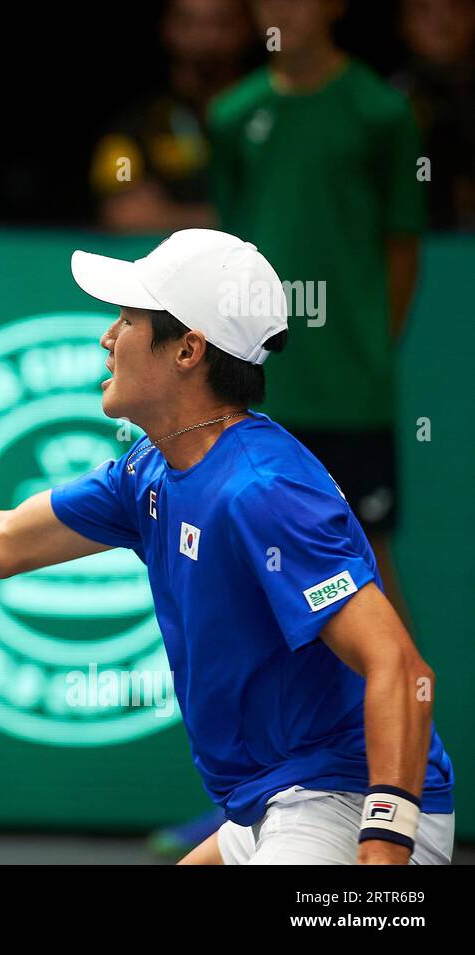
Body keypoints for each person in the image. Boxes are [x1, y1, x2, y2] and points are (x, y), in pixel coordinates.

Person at [0, 230, 454, 864]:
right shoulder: (150, 470)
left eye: (127, 320)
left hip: (347, 797)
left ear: (188, 349)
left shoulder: (262, 490)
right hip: (274, 800)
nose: (108, 337)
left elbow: (400, 667)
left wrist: (383, 847)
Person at [209, 0, 425, 630]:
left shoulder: (381, 113)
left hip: (350, 396)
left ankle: (406, 696)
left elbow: (402, 247)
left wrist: (367, 350)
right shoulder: (232, 116)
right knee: (245, 563)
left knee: (364, 563)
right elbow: (230, 242)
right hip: (254, 387)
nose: (281, 9)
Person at [90, 0, 252, 233]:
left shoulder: (270, 117)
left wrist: (168, 215)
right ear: (168, 29)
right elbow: (124, 212)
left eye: (220, 23)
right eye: (189, 23)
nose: (205, 37)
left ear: (246, 29)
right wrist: (231, 216)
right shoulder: (135, 124)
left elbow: (285, 208)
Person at [392, 0, 475, 230]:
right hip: (415, 234)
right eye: (424, 10)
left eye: (456, 7)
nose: (443, 22)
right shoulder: (387, 102)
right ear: (404, 22)